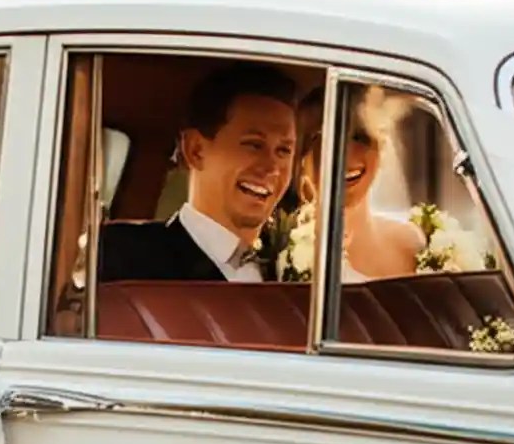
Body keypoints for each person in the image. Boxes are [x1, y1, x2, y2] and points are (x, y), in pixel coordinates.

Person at [98, 62, 298, 283]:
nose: (272, 167)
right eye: (253, 145)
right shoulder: (124, 256)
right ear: (196, 150)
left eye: (283, 150)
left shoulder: (290, 271)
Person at [293, 86, 424, 283]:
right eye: (325, 139)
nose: (345, 155)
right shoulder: (287, 253)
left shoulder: (412, 244)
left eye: (360, 137)